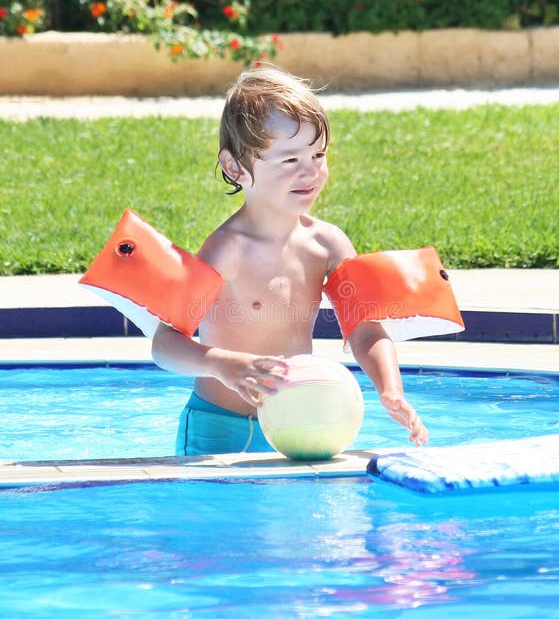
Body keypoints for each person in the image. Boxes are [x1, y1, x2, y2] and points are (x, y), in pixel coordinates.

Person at [152, 65, 429, 454]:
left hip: (296, 425)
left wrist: (390, 389)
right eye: (289, 160)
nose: (310, 171)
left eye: (318, 154)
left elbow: (365, 330)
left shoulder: (327, 245)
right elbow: (166, 343)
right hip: (219, 427)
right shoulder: (227, 249)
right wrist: (223, 365)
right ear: (235, 168)